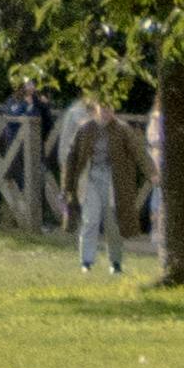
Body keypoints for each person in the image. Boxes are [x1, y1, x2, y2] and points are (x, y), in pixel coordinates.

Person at [58, 84, 135, 273]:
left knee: (112, 223)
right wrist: (67, 185)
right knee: (90, 219)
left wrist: (150, 172)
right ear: (96, 109)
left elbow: (136, 151)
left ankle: (115, 263)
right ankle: (86, 261)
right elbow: (71, 156)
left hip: (111, 178)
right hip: (90, 177)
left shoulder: (120, 129)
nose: (106, 112)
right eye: (103, 108)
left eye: (110, 109)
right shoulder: (85, 128)